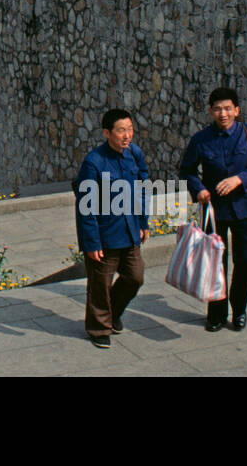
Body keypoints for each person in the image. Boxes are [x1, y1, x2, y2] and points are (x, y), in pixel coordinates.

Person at [179, 87, 247, 333]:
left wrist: (239, 179)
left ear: (237, 110)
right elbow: (186, 170)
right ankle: (216, 314)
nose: (223, 113)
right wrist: (198, 189)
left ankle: (239, 309)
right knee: (215, 262)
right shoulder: (201, 139)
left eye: (228, 108)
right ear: (210, 111)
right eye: (218, 109)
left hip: (244, 207)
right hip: (214, 209)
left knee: (246, 261)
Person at [75, 108, 151, 348]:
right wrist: (91, 242)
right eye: (121, 131)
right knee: (100, 285)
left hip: (130, 229)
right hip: (105, 234)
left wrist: (143, 221)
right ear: (107, 132)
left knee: (135, 276)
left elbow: (142, 187)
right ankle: (98, 329)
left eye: (130, 129)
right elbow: (85, 207)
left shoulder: (134, 154)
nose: (127, 135)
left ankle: (114, 311)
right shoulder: (94, 162)